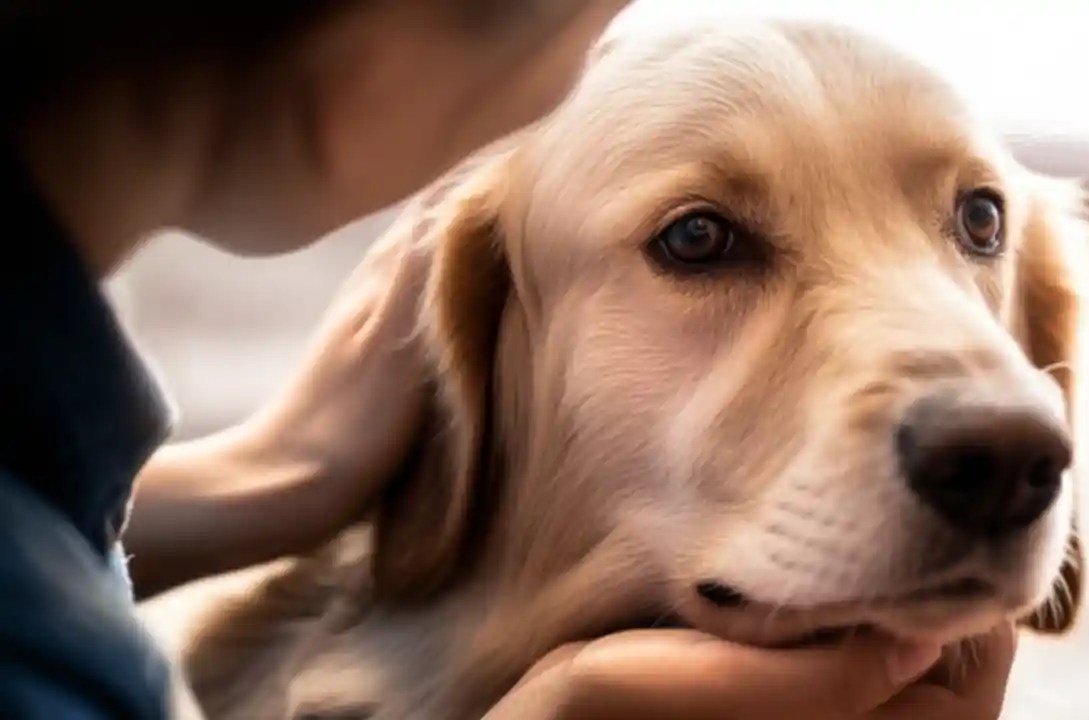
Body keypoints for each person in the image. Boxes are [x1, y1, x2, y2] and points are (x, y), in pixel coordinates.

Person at [0, 2, 1016, 718]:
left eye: (976, 224)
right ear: (387, 49)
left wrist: (266, 477)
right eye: (699, 239)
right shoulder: (53, 670)